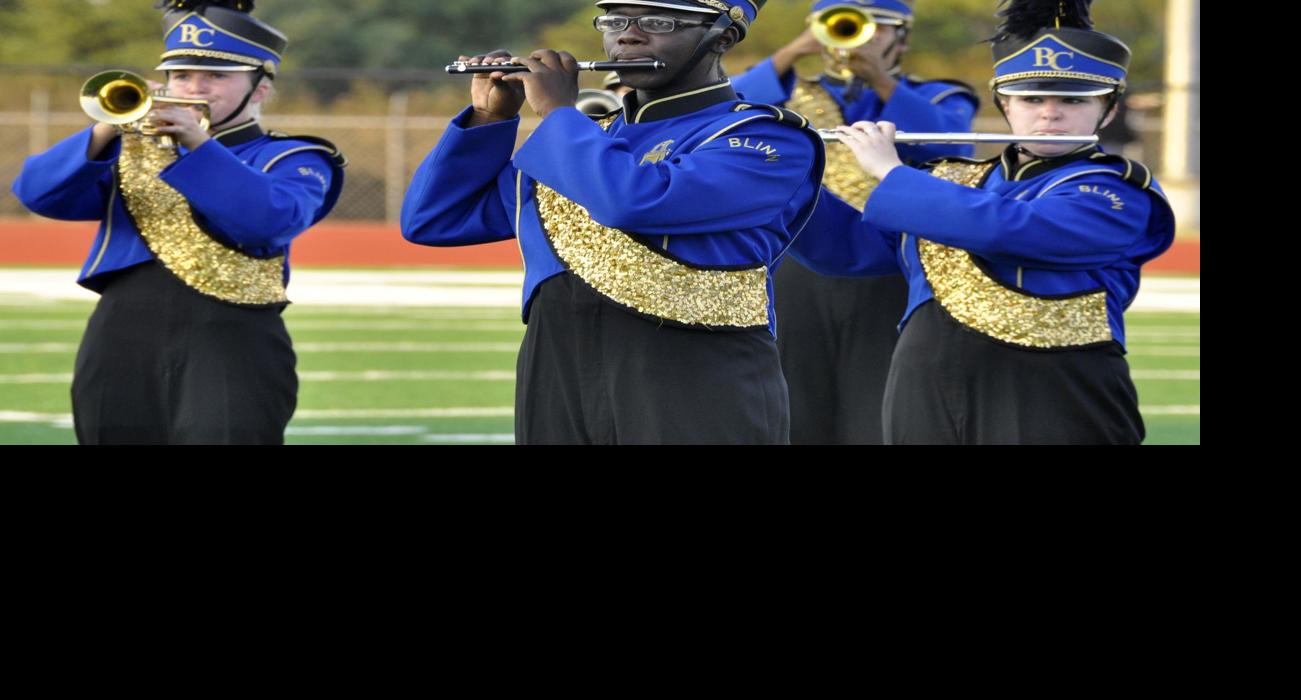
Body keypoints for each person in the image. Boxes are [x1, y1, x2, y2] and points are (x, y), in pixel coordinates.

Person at [401, 0, 825, 445]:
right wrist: (490, 117)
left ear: (723, 37)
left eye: (658, 22)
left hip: (694, 373)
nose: (628, 35)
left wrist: (559, 113)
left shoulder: (767, 138)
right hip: (556, 367)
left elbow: (632, 202)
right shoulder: (585, 137)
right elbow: (434, 218)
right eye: (615, 21)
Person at [788, 0, 1175, 444]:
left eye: (1073, 100)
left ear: (1108, 110)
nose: (1050, 113)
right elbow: (849, 249)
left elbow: (1009, 228)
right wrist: (783, 180)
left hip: (1054, 393)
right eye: (1031, 98)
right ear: (1004, 103)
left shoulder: (1117, 190)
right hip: (923, 387)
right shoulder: (951, 179)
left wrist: (891, 172)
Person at [10, 0, 345, 445]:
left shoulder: (294, 158)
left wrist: (199, 144)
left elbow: (267, 222)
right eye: (181, 75)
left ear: (260, 89)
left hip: (232, 339)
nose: (194, 87)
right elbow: (38, 193)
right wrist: (107, 127)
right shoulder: (130, 149)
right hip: (120, 333)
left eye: (216, 76)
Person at [731, 0, 979, 444]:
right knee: (795, 397)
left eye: (879, 27)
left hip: (891, 264)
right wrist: (793, 52)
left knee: (877, 400)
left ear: (902, 38)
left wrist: (880, 79)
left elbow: (952, 145)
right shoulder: (785, 90)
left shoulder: (938, 94)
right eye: (843, 25)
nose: (864, 35)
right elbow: (725, 115)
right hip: (796, 262)